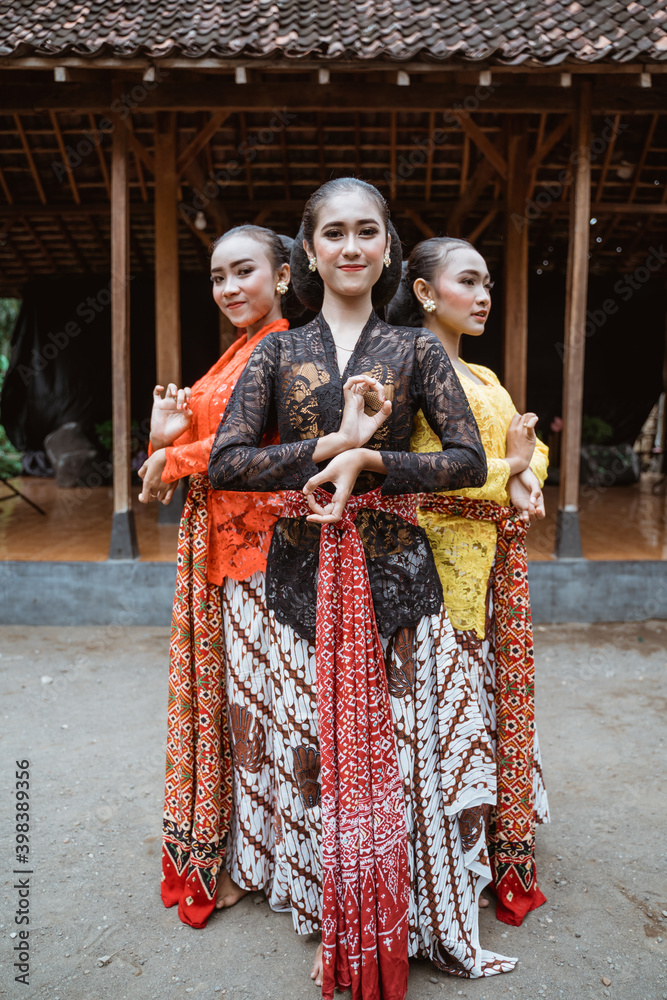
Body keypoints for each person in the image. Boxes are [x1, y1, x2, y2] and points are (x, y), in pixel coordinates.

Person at [208, 178, 517, 1000]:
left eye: (367, 232)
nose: (350, 246)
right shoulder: (278, 352)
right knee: (316, 753)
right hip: (299, 579)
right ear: (308, 253)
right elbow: (228, 461)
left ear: (386, 251)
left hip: (397, 579)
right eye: (334, 233)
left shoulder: (414, 350)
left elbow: (466, 462)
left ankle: (395, 912)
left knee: (398, 755)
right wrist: (329, 446)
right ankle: (333, 912)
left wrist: (371, 458)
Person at [387, 236, 549, 927]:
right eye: (468, 282)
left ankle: (482, 851)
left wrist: (528, 476)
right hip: (432, 565)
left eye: (487, 284)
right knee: (437, 717)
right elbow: (410, 473)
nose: (483, 297)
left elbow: (530, 441)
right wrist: (509, 473)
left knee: (481, 709)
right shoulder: (406, 367)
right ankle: (433, 868)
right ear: (425, 292)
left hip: (494, 566)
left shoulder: (482, 376)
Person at [138, 225, 297, 929]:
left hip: (263, 551)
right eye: (217, 277)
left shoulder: (287, 348)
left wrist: (167, 458)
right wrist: (162, 436)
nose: (229, 288)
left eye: (243, 272)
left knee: (259, 707)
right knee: (235, 704)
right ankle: (239, 851)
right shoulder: (236, 351)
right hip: (217, 545)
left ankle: (264, 863)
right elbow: (198, 441)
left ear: (283, 276)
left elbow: (253, 443)